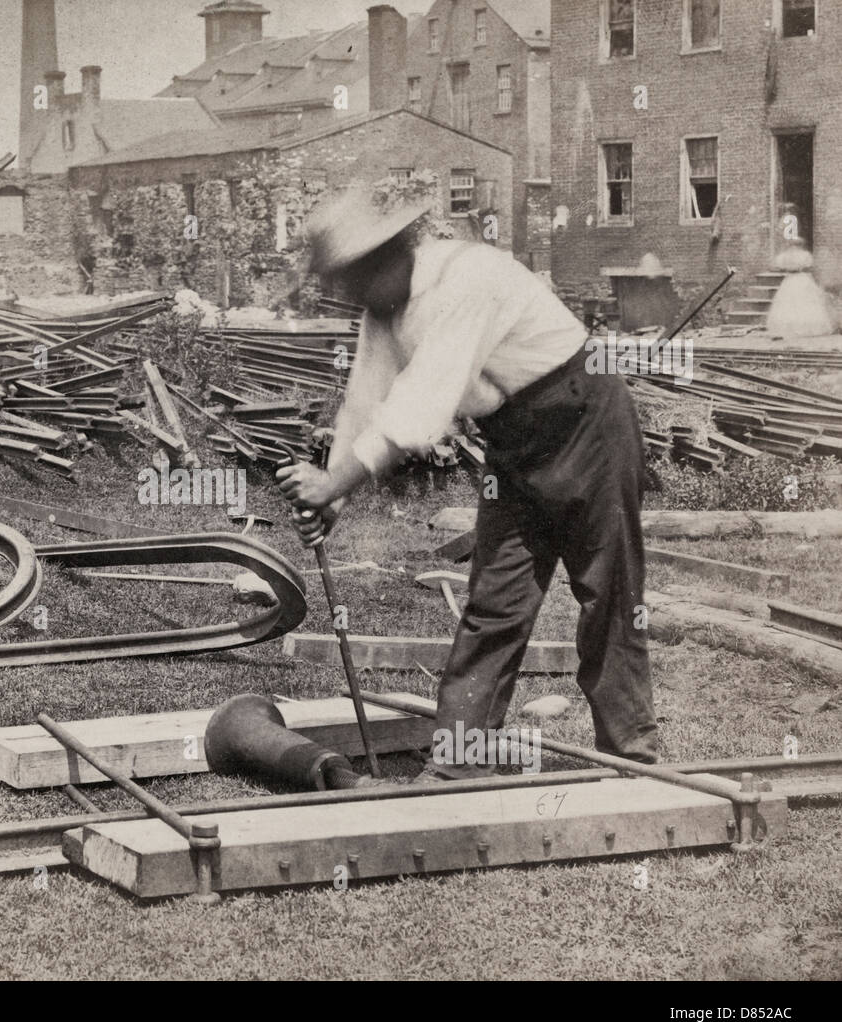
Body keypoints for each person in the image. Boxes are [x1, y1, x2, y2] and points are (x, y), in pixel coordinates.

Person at [277, 190, 657, 778]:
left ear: (390, 255)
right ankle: (458, 764)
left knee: (607, 595)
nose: (349, 296)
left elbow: (417, 414)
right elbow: (365, 403)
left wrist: (330, 487)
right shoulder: (386, 309)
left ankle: (631, 757)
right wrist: (336, 491)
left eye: (352, 279)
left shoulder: (465, 278)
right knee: (495, 602)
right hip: (514, 438)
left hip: (586, 418)